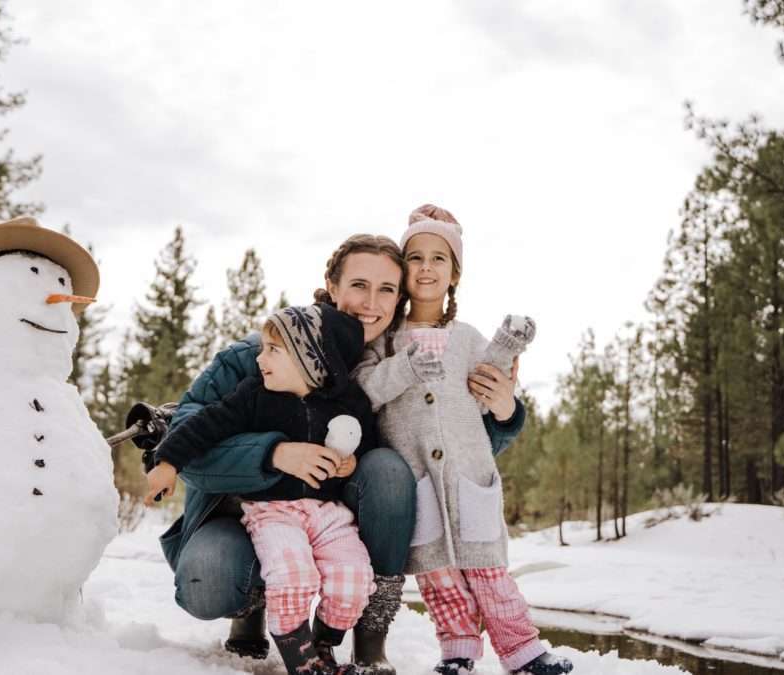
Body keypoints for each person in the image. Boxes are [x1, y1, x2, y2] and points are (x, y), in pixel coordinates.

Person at [159, 233, 527, 675]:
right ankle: (250, 610)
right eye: (358, 285)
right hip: (244, 517)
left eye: (387, 289)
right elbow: (185, 438)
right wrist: (274, 454)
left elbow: (452, 448)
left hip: (335, 519)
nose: (371, 302)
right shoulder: (260, 355)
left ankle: (368, 636)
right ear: (331, 287)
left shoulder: (397, 363)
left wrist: (505, 414)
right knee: (210, 577)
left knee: (389, 470)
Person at [354, 205, 571, 675]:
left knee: (488, 570)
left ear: (455, 273)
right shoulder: (384, 341)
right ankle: (457, 650)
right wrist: (406, 365)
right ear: (402, 267)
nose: (427, 268)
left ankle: (523, 652)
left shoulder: (468, 337)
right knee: (438, 575)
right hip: (417, 478)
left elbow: (493, 389)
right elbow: (365, 392)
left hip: (470, 474)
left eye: (439, 258)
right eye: (416, 257)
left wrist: (510, 347)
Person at [146, 303, 376, 675]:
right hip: (274, 512)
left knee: (353, 575)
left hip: (326, 512)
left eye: (273, 350)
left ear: (309, 359)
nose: (260, 360)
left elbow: (366, 440)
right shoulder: (254, 396)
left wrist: (352, 461)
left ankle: (323, 644)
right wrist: (168, 462)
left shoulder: (347, 402)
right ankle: (300, 656)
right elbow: (205, 424)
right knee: (292, 574)